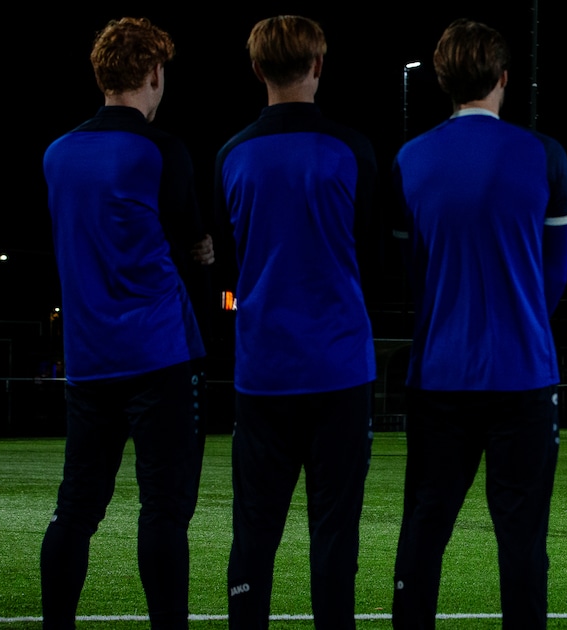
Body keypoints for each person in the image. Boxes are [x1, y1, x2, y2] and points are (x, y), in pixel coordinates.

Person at [390, 18, 567, 629]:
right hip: (522, 375)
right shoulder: (544, 156)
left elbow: (408, 273)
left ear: (443, 81)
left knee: (423, 533)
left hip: (440, 373)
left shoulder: (410, 159)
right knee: (522, 544)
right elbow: (554, 274)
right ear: (503, 79)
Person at [40, 17, 212, 630]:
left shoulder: (57, 154)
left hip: (90, 359)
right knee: (163, 512)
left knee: (76, 509)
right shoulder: (161, 148)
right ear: (155, 73)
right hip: (159, 354)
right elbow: (195, 244)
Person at [215, 15, 377, 630]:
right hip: (338, 368)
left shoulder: (232, 154)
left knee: (254, 531)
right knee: (334, 534)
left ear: (257, 70)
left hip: (263, 371)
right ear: (318, 66)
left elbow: (227, 262)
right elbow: (372, 256)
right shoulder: (352, 149)